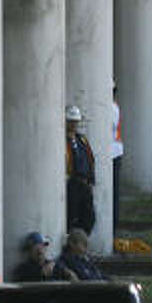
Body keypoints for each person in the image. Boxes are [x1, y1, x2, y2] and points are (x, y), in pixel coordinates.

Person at [65, 105, 96, 235]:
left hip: (84, 183)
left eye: (75, 121)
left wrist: (91, 178)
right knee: (72, 215)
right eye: (71, 121)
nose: (73, 124)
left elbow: (90, 159)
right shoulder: (63, 140)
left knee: (89, 217)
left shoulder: (81, 139)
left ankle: (82, 242)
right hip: (72, 183)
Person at [12, 232, 76, 282]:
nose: (40, 250)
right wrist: (41, 273)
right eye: (35, 248)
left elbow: (70, 276)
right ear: (29, 251)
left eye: (42, 246)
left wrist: (69, 274)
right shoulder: (24, 269)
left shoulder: (54, 264)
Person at [111, 80, 123, 231]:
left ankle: (113, 223)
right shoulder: (115, 107)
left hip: (112, 152)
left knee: (112, 192)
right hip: (115, 151)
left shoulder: (111, 108)